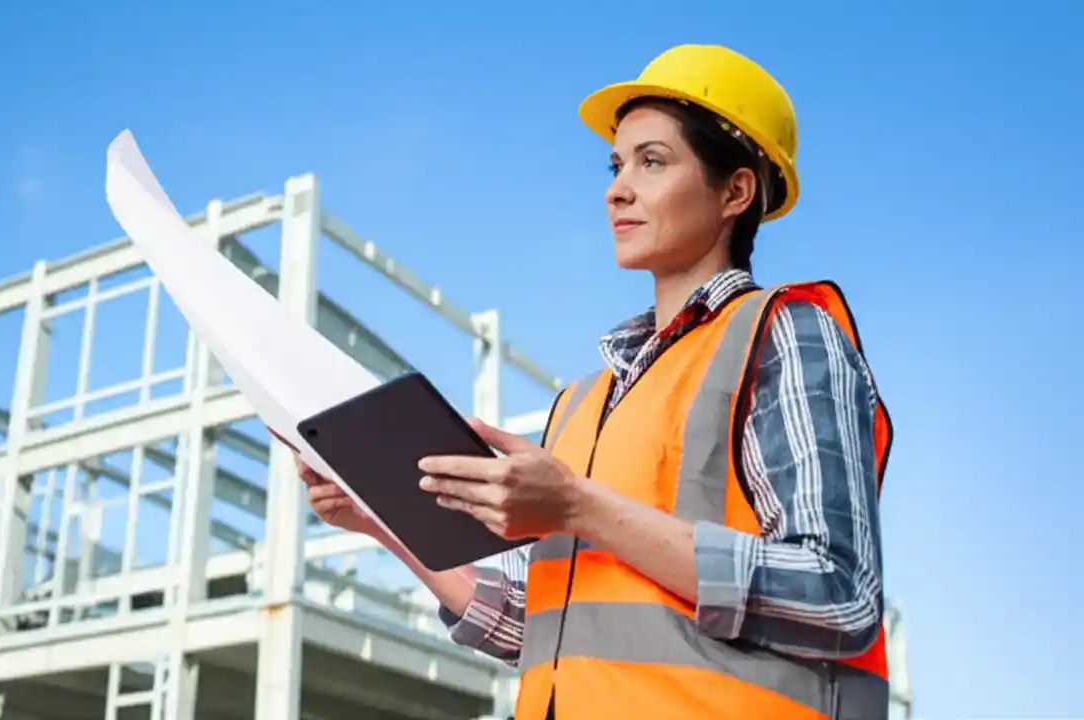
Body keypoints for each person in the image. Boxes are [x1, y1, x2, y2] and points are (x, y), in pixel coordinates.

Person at [288, 44, 893, 720]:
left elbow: (841, 596)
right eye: (616, 164)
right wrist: (379, 519)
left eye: (652, 162)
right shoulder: (581, 404)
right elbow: (533, 627)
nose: (617, 188)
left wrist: (578, 506)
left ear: (735, 191)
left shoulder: (783, 335)